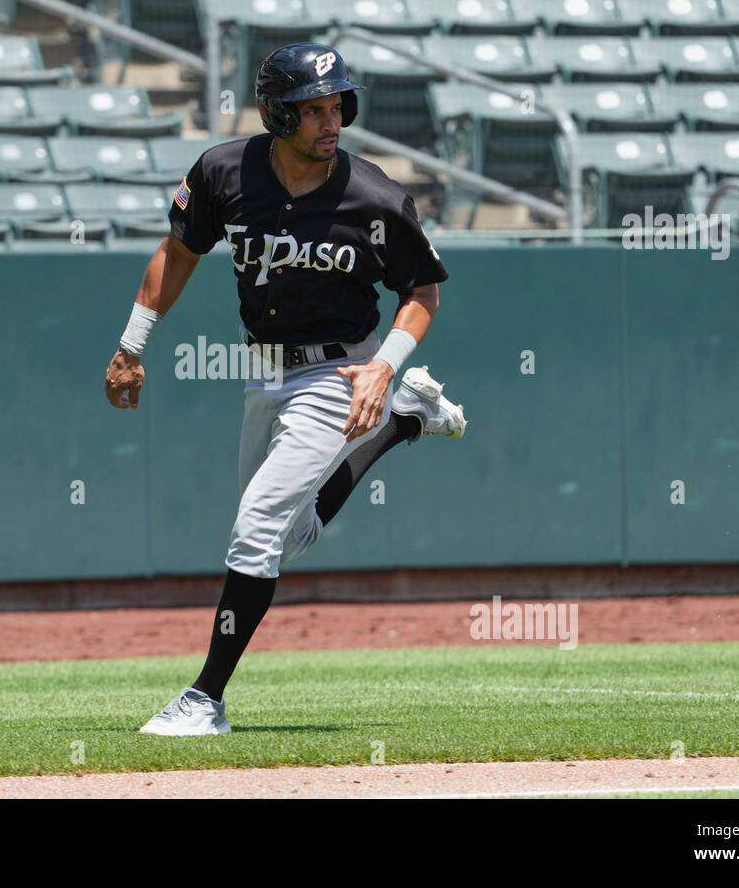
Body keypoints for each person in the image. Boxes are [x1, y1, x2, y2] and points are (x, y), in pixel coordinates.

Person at [103, 43, 469, 736]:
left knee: (256, 530)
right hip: (264, 370)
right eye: (314, 110)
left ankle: (205, 698)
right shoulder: (223, 172)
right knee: (283, 535)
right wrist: (131, 345)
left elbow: (423, 292)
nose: (331, 123)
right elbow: (177, 252)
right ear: (277, 113)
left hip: (344, 369)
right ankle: (401, 425)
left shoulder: (375, 196)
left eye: (338, 107)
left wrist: (385, 366)